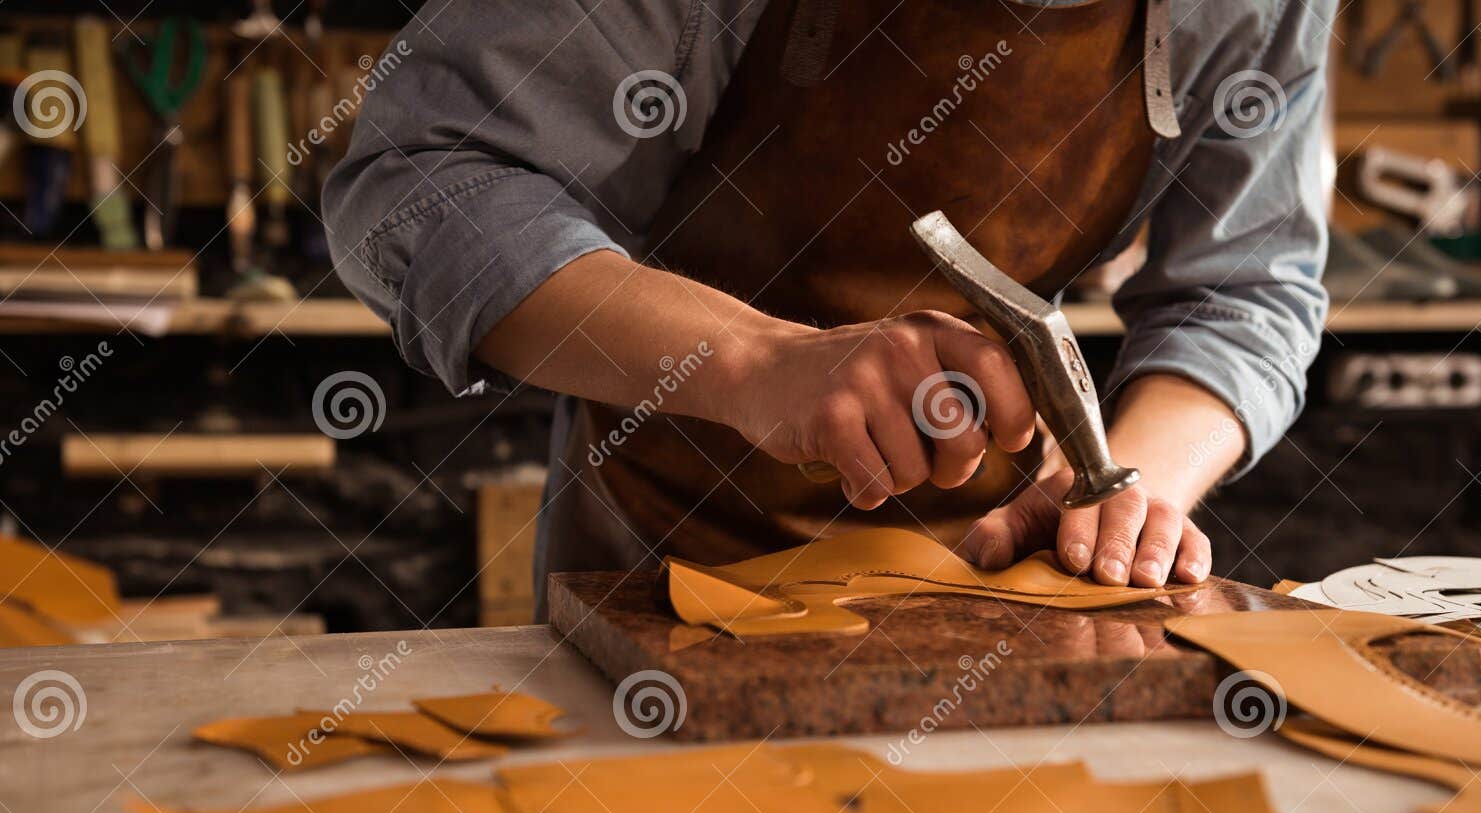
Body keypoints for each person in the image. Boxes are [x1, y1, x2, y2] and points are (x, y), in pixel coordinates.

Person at [324, 0, 1331, 618]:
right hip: (669, 567)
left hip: (1010, 590)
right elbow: (418, 185)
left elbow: (1244, 283)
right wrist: (755, 363)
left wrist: (1136, 483)